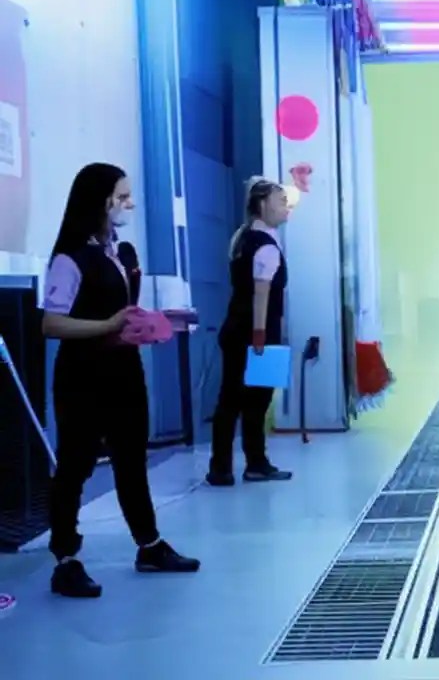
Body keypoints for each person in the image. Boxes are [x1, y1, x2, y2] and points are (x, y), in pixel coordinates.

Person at [42, 163, 200, 599]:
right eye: (123, 197)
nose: (130, 204)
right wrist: (108, 324)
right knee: (75, 464)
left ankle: (149, 545)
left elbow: (123, 315)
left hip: (125, 371)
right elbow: (52, 324)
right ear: (101, 201)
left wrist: (150, 325)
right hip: (83, 375)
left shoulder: (120, 253)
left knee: (132, 459)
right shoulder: (70, 258)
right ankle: (66, 558)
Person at [207, 177, 293, 487]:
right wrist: (260, 336)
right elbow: (262, 293)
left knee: (231, 400)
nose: (287, 207)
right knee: (255, 401)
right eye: (281, 201)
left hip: (236, 330)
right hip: (256, 334)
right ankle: (252, 463)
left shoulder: (244, 239)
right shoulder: (266, 247)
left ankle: (224, 467)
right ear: (262, 205)